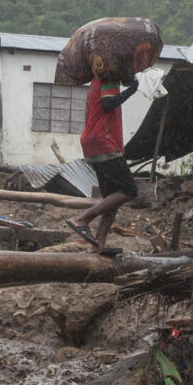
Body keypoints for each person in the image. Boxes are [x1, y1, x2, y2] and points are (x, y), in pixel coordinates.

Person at [66, 73, 140, 253]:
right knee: (129, 191)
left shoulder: (96, 81)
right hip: (104, 142)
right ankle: (82, 219)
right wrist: (132, 90)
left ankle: (98, 245)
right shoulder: (109, 79)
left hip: (93, 143)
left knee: (112, 199)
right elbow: (108, 104)